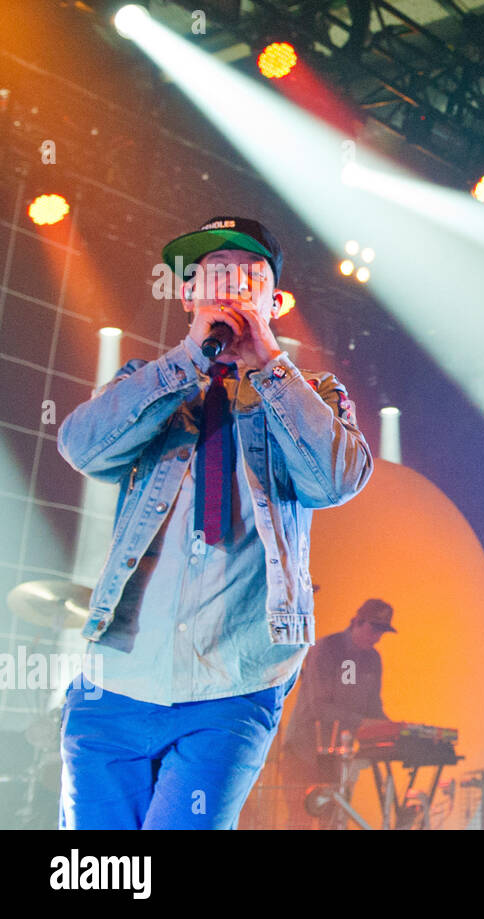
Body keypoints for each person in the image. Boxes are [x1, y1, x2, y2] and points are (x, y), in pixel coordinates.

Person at [57, 216, 373, 829]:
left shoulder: (313, 394)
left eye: (245, 276)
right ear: (187, 296)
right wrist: (183, 363)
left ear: (273, 301)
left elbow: (337, 479)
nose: (225, 286)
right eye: (210, 275)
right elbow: (82, 447)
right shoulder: (145, 385)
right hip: (115, 680)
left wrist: (268, 364)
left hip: (234, 684)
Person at [279, 598, 395, 828]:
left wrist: (394, 729)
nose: (377, 636)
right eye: (375, 628)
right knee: (301, 820)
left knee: (332, 821)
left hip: (336, 758)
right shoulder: (326, 648)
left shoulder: (373, 659)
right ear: (358, 622)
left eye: (382, 631)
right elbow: (319, 707)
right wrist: (364, 722)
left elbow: (374, 707)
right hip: (303, 751)